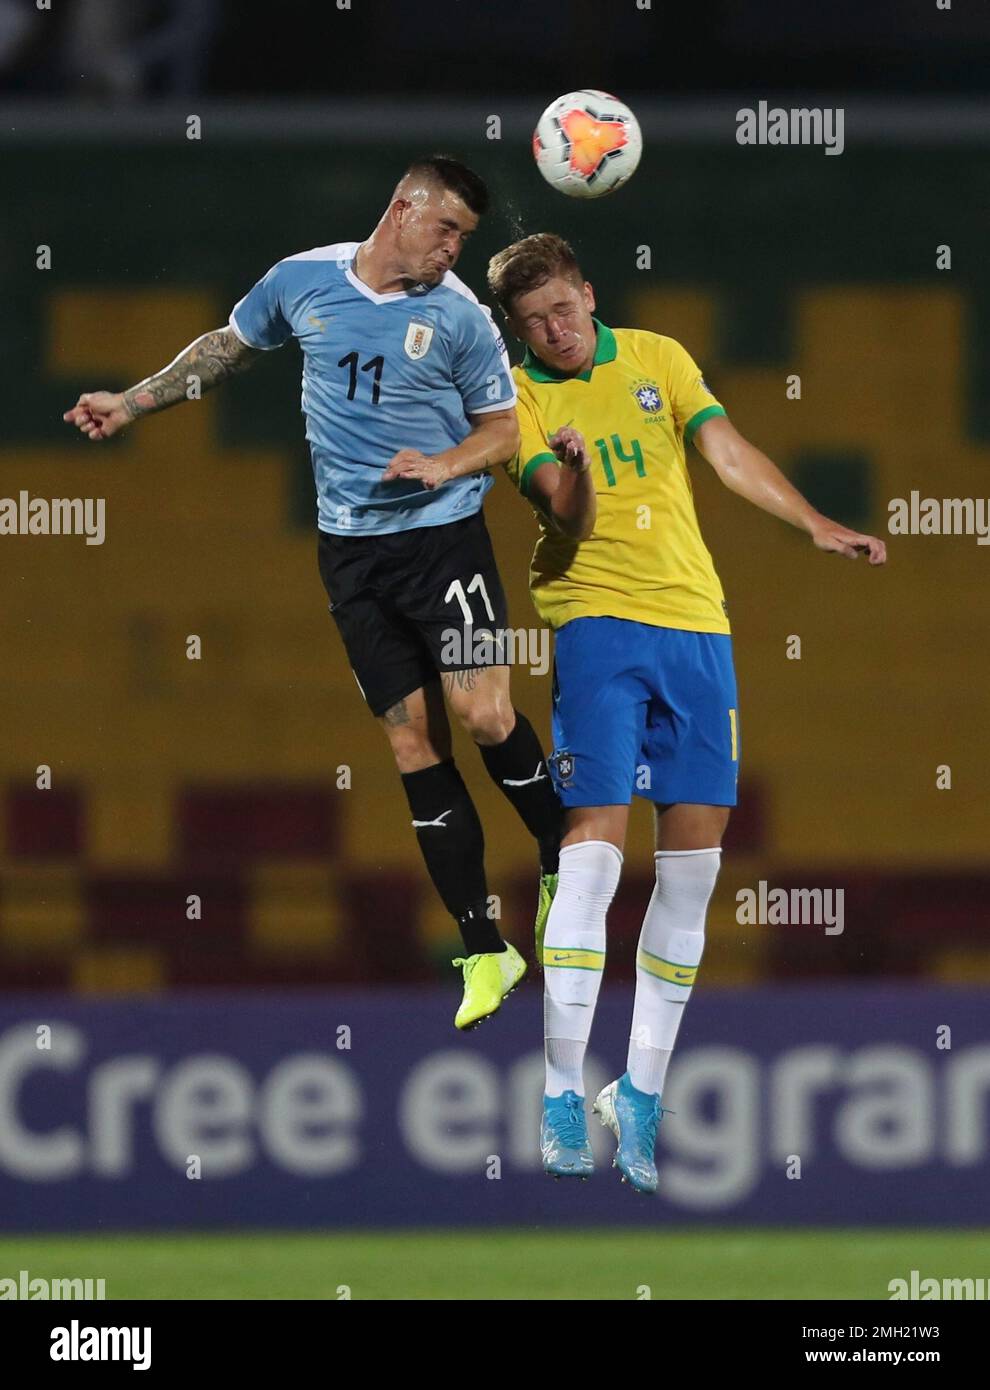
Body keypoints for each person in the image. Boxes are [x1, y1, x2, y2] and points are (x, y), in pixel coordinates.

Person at [62, 157, 564, 1031]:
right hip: (352, 557)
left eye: (464, 238)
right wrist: (132, 403)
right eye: (445, 229)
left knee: (484, 714)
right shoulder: (302, 281)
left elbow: (505, 430)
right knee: (412, 745)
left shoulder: (460, 317)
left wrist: (445, 464)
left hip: (444, 543)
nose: (453, 250)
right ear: (402, 209)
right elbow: (227, 348)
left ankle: (562, 854)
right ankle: (485, 949)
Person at [485, 232, 886, 1191]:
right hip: (596, 624)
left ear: (589, 294)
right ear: (517, 330)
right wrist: (578, 467)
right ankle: (559, 1093)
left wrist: (813, 521)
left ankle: (641, 1092)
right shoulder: (514, 398)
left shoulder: (658, 357)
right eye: (535, 322)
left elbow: (727, 449)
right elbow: (565, 513)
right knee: (592, 858)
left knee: (695, 872)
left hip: (698, 627)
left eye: (563, 310)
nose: (555, 330)